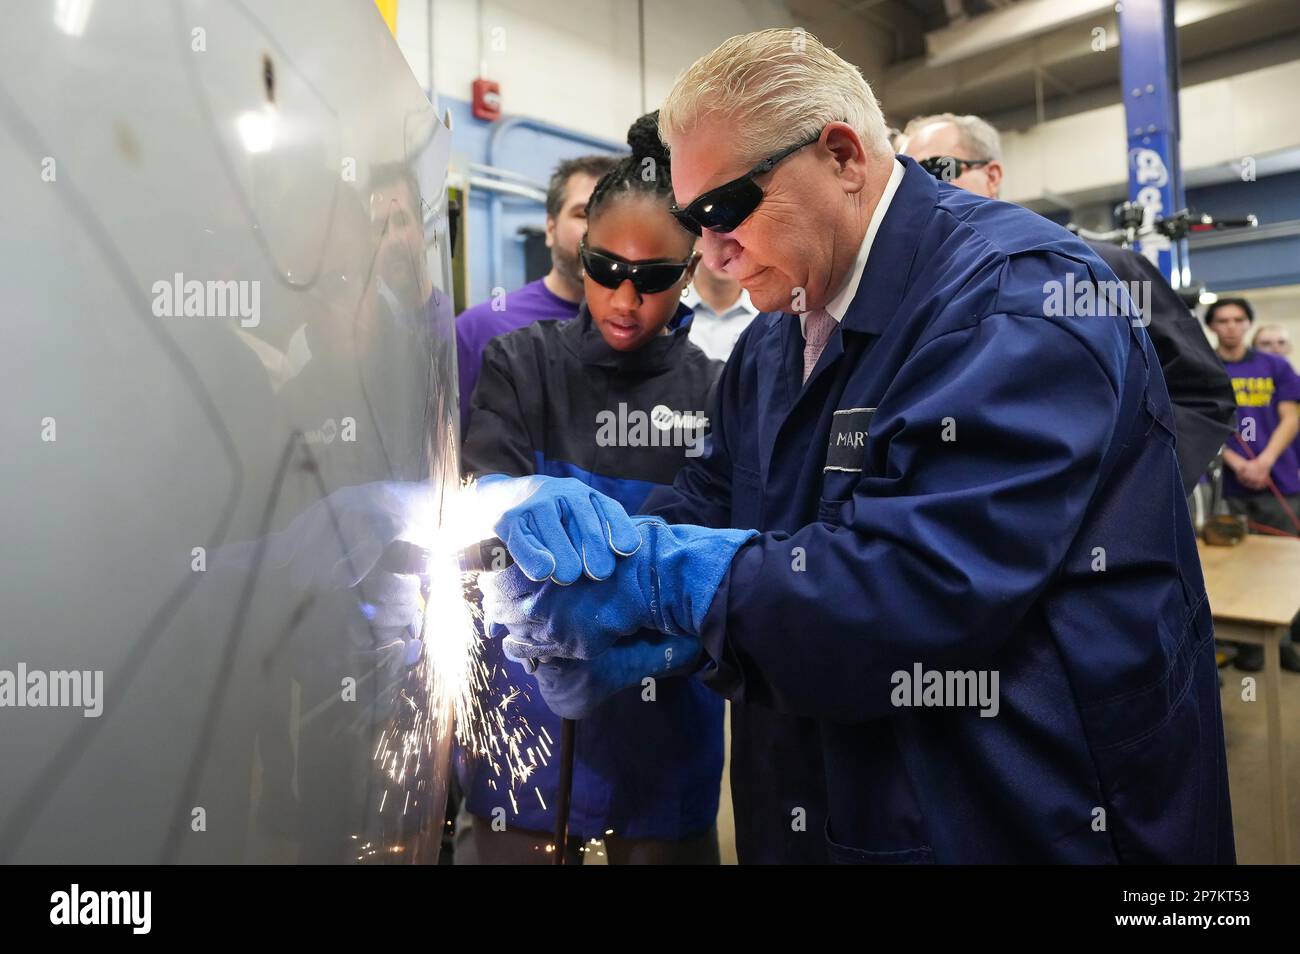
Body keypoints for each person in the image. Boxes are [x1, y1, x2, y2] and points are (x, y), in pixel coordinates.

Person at [478, 28, 1233, 864]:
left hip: (1021, 813)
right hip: (821, 804)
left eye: (726, 212)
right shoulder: (774, 342)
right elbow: (712, 503)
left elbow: (920, 583)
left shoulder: (1016, 299)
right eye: (696, 224)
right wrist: (602, 558)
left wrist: (665, 581)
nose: (713, 254)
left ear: (841, 156)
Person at [457, 112, 724, 865]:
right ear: (581, 250)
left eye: (654, 279)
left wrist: (650, 655)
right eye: (607, 269)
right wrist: (513, 498)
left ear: (692, 270)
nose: (626, 299)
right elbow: (482, 489)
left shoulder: (719, 393)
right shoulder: (521, 362)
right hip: (527, 729)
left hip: (666, 744)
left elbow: (732, 566)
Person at [901, 112, 1237, 495]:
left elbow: (1199, 393)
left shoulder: (1099, 271)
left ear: (992, 175)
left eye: (938, 168)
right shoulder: (910, 292)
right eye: (909, 176)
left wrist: (1132, 492)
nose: (924, 187)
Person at [454, 154, 618, 430]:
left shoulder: (644, 329)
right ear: (550, 228)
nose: (597, 229)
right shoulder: (479, 328)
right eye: (583, 214)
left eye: (612, 216)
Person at [1206, 297, 1300, 671]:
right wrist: (1235, 462)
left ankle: (1286, 644)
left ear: (1248, 324)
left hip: (1279, 479)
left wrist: (1264, 461)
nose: (1231, 326)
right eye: (1223, 320)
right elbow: (1203, 422)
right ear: (1212, 326)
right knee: (1235, 569)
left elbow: (1290, 418)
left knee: (1286, 567)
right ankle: (1250, 648)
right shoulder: (1204, 366)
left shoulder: (1276, 366)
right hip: (1228, 486)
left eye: (1238, 319)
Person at [682, 260, 760, 360]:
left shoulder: (766, 317)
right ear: (695, 245)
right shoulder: (669, 310)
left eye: (739, 245)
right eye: (717, 243)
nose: (726, 254)